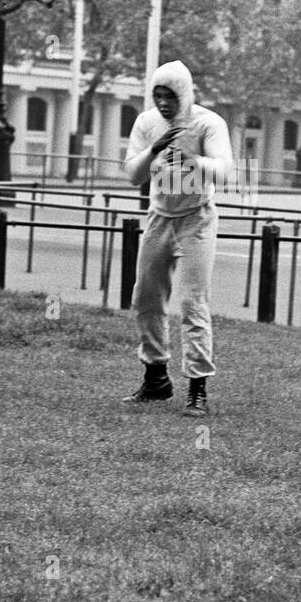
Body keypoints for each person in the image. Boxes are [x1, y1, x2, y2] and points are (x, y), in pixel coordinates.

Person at [121, 60, 234, 417]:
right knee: (146, 297)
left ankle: (197, 386)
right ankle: (156, 378)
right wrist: (154, 149)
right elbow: (132, 175)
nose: (163, 103)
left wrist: (193, 160)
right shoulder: (147, 122)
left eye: (169, 96)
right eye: (157, 95)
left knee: (192, 303)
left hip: (196, 218)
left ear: (183, 94)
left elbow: (225, 173)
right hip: (159, 216)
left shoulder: (208, 122)